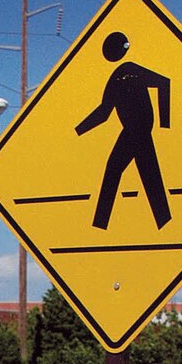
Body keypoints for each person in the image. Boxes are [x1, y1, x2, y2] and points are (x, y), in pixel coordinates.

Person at [75, 31, 172, 231]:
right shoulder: (116, 77)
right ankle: (164, 223)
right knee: (146, 175)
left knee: (118, 171)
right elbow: (104, 112)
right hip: (133, 130)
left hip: (140, 129)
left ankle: (100, 225)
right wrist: (77, 131)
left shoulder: (129, 70)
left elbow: (164, 83)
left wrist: (164, 124)